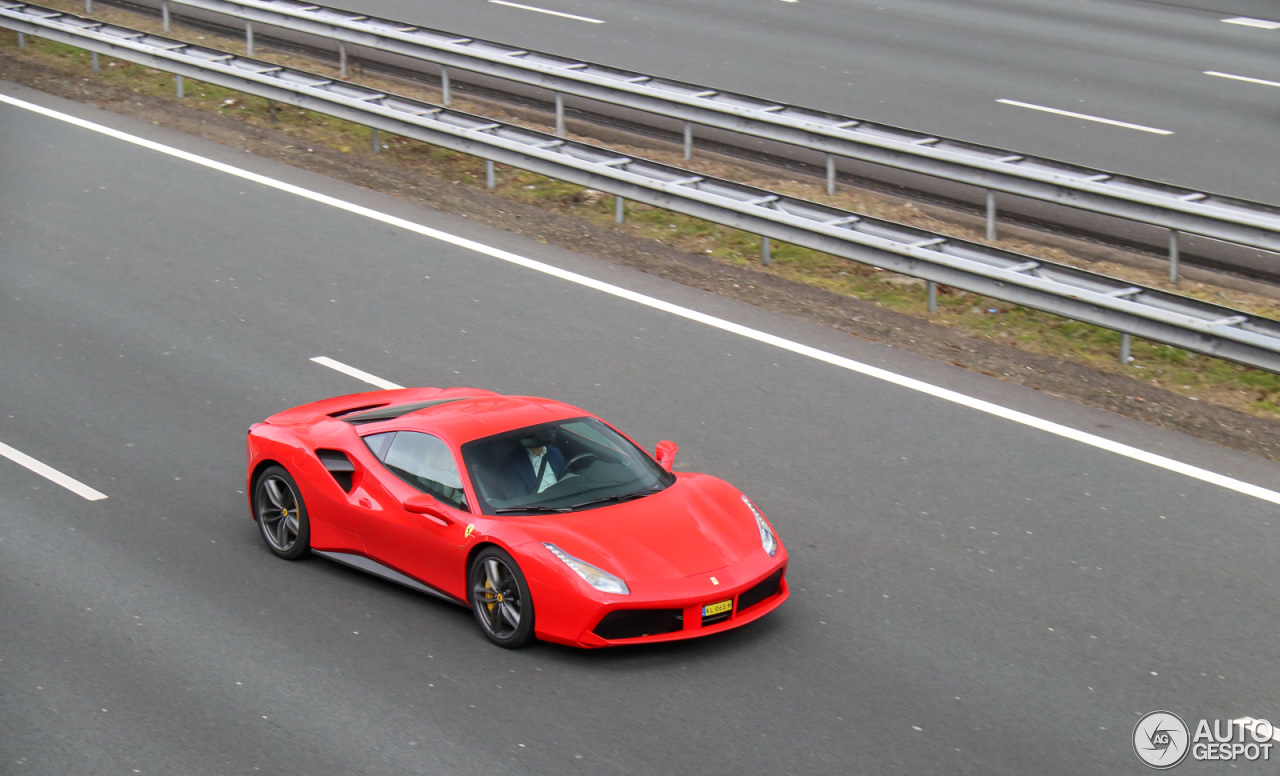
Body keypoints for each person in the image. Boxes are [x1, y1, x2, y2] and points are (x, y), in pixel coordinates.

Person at [501, 433, 567, 498]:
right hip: (540, 505)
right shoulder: (513, 462)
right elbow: (519, 499)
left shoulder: (555, 452)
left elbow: (566, 477)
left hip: (563, 498)